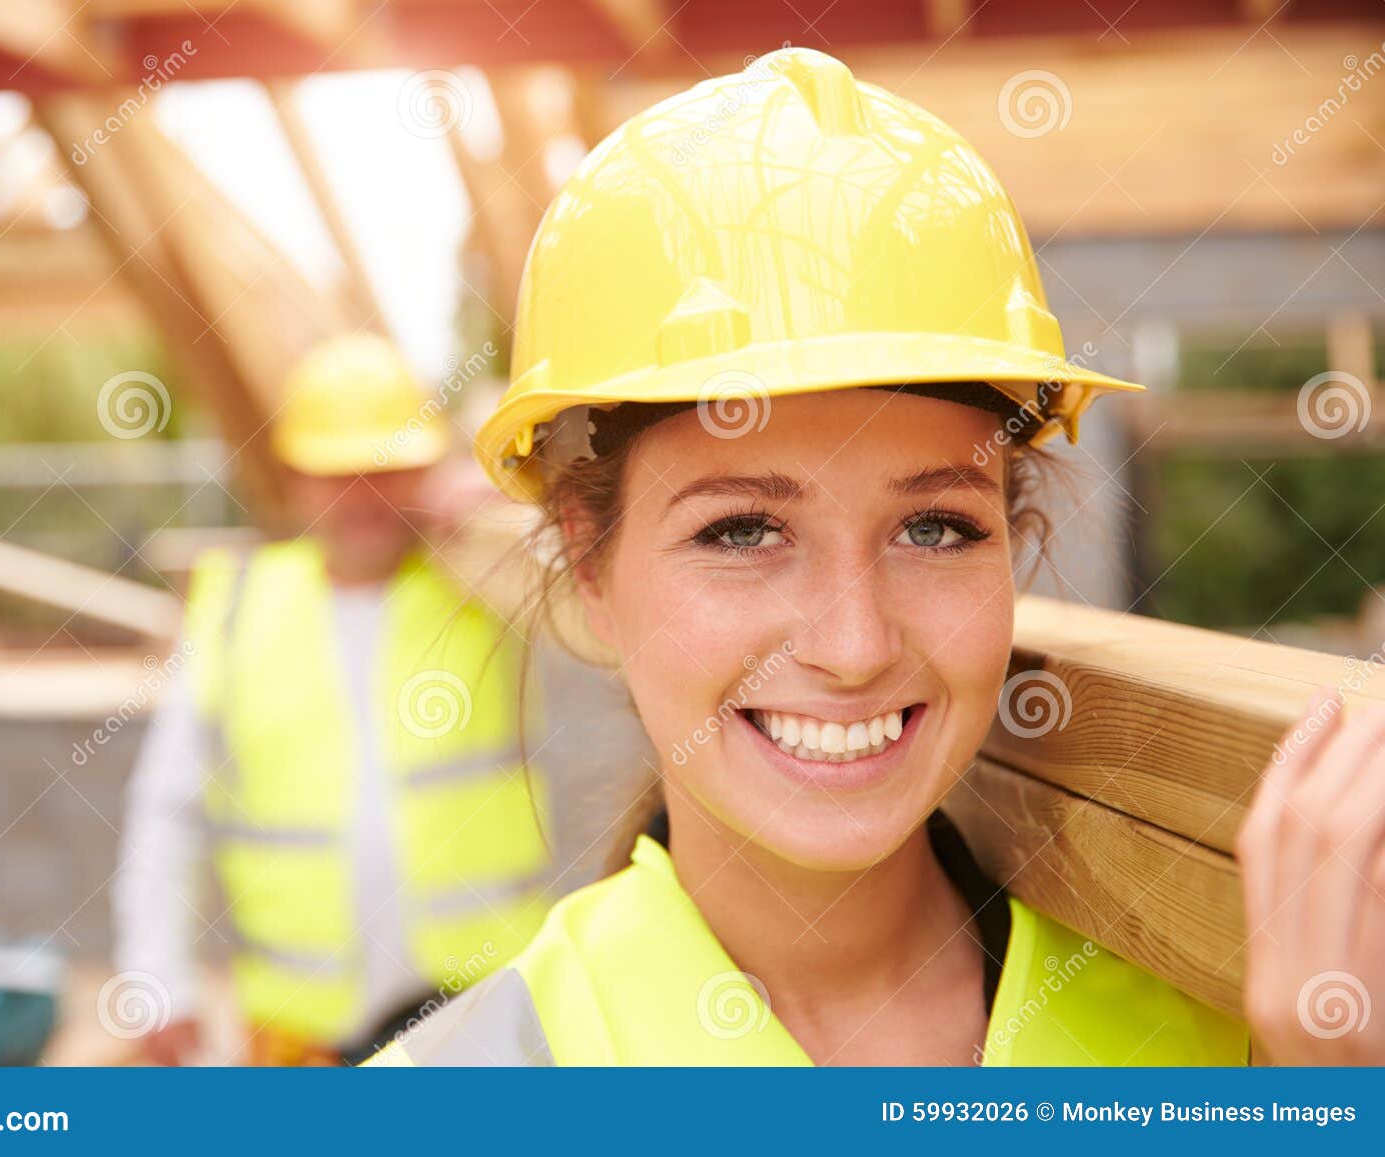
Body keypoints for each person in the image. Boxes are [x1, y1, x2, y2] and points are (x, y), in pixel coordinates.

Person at [370, 48, 1385, 1066]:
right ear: (590, 564)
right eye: (741, 531)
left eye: (933, 527)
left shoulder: (1232, 1044)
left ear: (1014, 534)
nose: (853, 646)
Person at [113, 334, 557, 1066]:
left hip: (481, 1021)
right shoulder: (236, 603)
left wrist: (510, 502)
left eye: (388, 469)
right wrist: (156, 971)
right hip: (300, 1033)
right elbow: (169, 804)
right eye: (338, 472)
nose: (365, 496)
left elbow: (594, 582)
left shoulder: (484, 582)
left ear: (427, 470)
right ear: (292, 478)